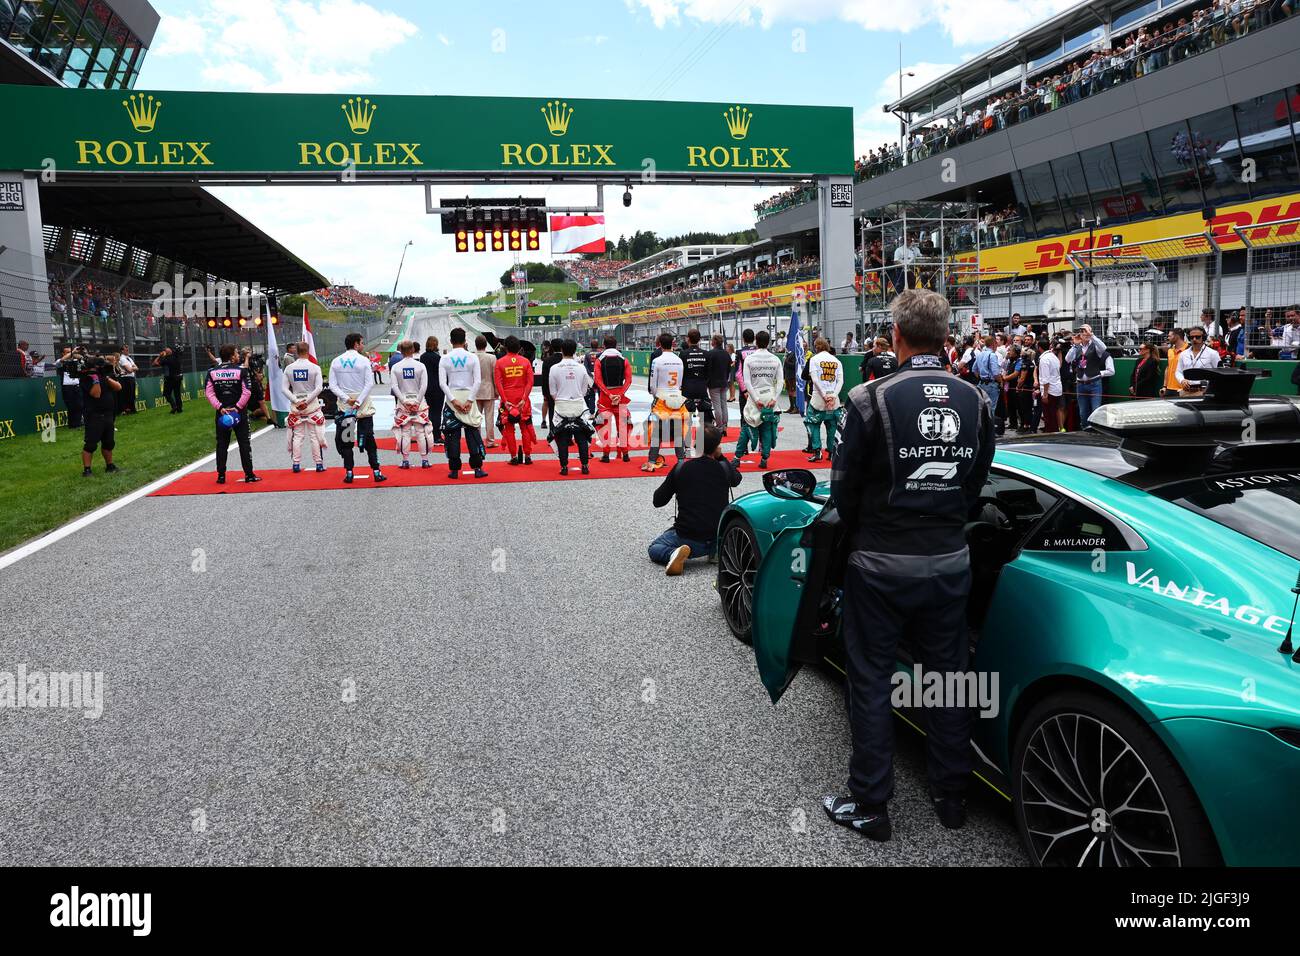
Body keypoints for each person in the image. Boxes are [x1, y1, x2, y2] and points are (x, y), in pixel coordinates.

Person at [825, 289, 995, 841]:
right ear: (947, 337)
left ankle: (871, 805)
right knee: (949, 680)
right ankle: (952, 794)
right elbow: (977, 480)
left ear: (895, 334)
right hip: (949, 561)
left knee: (872, 681)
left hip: (879, 563)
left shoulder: (869, 397)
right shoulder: (977, 400)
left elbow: (843, 489)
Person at [649, 424, 741, 575]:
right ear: (717, 447)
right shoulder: (723, 468)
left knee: (655, 547)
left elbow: (658, 501)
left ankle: (674, 554)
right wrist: (722, 458)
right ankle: (715, 552)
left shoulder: (681, 468)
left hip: (690, 537)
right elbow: (736, 479)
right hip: (719, 537)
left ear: (694, 443)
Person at [329, 333, 386, 485]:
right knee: (369, 439)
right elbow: (369, 383)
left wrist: (348, 399)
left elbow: (332, 385)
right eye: (361, 343)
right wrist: (359, 401)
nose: (363, 345)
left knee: (346, 441)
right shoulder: (363, 360)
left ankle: (349, 473)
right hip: (363, 404)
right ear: (356, 344)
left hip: (345, 405)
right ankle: (376, 471)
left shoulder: (336, 361)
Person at [205, 343, 261, 486]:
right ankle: (249, 475)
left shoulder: (212, 371)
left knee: (222, 445)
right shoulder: (241, 371)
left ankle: (221, 476)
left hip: (222, 413)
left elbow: (209, 393)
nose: (238, 355)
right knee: (244, 443)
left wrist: (220, 407)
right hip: (239, 413)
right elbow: (247, 391)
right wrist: (237, 407)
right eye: (236, 353)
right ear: (231, 356)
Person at [439, 327, 488, 479]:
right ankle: (478, 468)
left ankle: (454, 470)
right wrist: (469, 400)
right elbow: (478, 380)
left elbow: (442, 383)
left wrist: (453, 400)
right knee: (472, 433)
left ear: (451, 341)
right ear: (465, 340)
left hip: (452, 396)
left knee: (452, 435)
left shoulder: (445, 358)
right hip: (468, 396)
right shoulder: (472, 357)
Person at [734, 330, 782, 469]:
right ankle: (764, 458)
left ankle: (737, 457)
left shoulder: (750, 359)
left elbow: (747, 382)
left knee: (747, 426)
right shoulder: (775, 359)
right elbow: (780, 382)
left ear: (756, 340)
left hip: (755, 396)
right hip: (770, 396)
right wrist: (774, 399)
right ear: (768, 342)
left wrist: (755, 398)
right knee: (767, 427)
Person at [644, 332, 688, 472]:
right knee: (678, 430)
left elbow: (652, 384)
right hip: (677, 396)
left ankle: (652, 460)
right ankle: (681, 460)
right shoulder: (679, 360)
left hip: (662, 398)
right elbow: (680, 382)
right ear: (673, 344)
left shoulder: (657, 360)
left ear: (660, 344)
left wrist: (655, 394)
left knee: (656, 430)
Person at [549, 339, 594, 475]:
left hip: (561, 405)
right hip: (578, 405)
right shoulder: (581, 368)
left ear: (562, 350)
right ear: (575, 351)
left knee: (562, 438)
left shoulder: (554, 368)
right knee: (582, 437)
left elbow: (552, 392)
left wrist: (560, 399)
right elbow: (585, 390)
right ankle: (585, 465)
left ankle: (564, 467)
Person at [281, 341, 327, 473]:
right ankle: (318, 463)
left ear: (296, 351)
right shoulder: (314, 367)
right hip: (311, 405)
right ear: (308, 351)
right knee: (314, 435)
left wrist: (296, 400)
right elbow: (319, 388)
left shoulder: (289, 368)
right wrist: (307, 401)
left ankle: (296, 463)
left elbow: (284, 389)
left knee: (298, 436)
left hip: (296, 405)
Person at [390, 340, 435, 470]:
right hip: (419, 403)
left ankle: (405, 461)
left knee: (405, 432)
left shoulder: (396, 367)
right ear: (412, 350)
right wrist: (417, 401)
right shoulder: (420, 366)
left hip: (403, 404)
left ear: (402, 351)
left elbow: (394, 386)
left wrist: (404, 401)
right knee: (421, 432)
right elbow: (424, 386)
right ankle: (425, 460)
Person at [493, 335, 536, 466]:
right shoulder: (525, 362)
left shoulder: (499, 363)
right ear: (519, 348)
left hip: (507, 402)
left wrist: (505, 401)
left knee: (508, 429)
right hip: (523, 400)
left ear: (505, 347)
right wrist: (524, 399)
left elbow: (498, 384)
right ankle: (528, 456)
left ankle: (513, 457)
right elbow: (530, 382)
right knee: (526, 428)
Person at [79, 356, 121, 477]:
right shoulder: (87, 378)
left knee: (108, 442)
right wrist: (96, 380)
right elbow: (96, 394)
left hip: (108, 414)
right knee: (91, 444)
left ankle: (110, 465)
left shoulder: (105, 376)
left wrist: (105, 377)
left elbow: (118, 387)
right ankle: (87, 470)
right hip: (94, 414)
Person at [804, 338, 844, 462]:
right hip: (834, 400)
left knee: (812, 424)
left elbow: (815, 380)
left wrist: (824, 395)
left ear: (816, 347)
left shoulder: (814, 359)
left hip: (818, 398)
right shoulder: (836, 360)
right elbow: (840, 381)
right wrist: (832, 396)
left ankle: (817, 452)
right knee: (832, 426)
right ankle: (831, 452)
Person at [594, 334, 632, 464]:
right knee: (623, 425)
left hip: (605, 398)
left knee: (604, 426)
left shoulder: (599, 361)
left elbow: (597, 380)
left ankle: (605, 454)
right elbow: (629, 380)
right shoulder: (624, 360)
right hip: (620, 396)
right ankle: (625, 453)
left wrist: (608, 394)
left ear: (603, 345)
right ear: (616, 345)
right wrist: (620, 394)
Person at [1064, 326, 1112, 427]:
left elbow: (1104, 348)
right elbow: (1068, 359)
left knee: (1095, 411)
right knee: (1083, 413)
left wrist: (1091, 335)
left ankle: (1096, 432)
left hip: (1094, 383)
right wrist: (1075, 345)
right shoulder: (1077, 347)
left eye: (1086, 331)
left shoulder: (1095, 346)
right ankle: (1086, 431)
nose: (1084, 334)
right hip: (1080, 384)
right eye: (1082, 332)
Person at [679, 328, 714, 425]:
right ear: (699, 339)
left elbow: (681, 372)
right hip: (702, 388)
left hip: (687, 389)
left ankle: (686, 439)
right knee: (705, 419)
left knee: (686, 418)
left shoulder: (683, 354)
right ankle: (702, 439)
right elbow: (709, 372)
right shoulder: (706, 354)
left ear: (688, 339)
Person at [1175, 325, 1221, 394]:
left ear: (1204, 337)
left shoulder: (1213, 354)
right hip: (1186, 391)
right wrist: (1182, 380)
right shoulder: (1183, 354)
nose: (1194, 339)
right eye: (1191, 337)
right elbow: (1178, 372)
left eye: (1197, 337)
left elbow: (1219, 372)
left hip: (1205, 391)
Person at [474, 335, 498, 448]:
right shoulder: (492, 358)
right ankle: (490, 441)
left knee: (476, 418)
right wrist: (497, 391)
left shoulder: (471, 357)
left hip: (475, 391)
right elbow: (495, 376)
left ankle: (477, 440)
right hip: (488, 390)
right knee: (489, 417)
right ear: (485, 345)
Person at [419, 336, 443, 444]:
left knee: (430, 411)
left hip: (427, 387)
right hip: (437, 387)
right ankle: (437, 435)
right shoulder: (437, 358)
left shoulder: (422, 357)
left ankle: (428, 433)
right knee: (437, 412)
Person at [706, 334, 732, 434]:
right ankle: (725, 426)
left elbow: (708, 369)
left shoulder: (711, 354)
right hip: (724, 382)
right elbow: (729, 368)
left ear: (715, 342)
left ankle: (720, 426)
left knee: (717, 406)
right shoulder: (726, 354)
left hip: (714, 383)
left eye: (712, 340)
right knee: (724, 405)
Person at [1037, 339, 1063, 432]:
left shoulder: (1044, 359)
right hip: (1056, 389)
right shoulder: (1053, 356)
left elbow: (1046, 379)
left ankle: (1051, 435)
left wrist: (1045, 394)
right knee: (1053, 415)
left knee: (1049, 417)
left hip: (1050, 391)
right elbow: (1059, 365)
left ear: (1039, 348)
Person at [58, 347, 84, 429]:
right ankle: (73, 424)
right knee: (71, 406)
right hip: (67, 387)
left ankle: (78, 422)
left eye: (70, 352)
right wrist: (73, 352)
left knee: (79, 405)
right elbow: (62, 360)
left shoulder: (76, 361)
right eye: (67, 352)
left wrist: (78, 354)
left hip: (77, 385)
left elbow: (82, 359)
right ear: (63, 353)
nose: (70, 354)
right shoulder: (60, 361)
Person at [153, 346, 185, 413]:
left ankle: (174, 406)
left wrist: (160, 356)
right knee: (177, 394)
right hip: (178, 377)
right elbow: (179, 351)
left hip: (170, 379)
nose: (166, 350)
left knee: (166, 393)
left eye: (166, 349)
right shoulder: (175, 356)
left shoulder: (166, 359)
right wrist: (162, 355)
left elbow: (154, 363)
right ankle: (179, 409)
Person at [541, 339, 562, 433]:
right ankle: (566, 436)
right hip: (565, 390)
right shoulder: (566, 360)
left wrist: (545, 393)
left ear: (551, 348)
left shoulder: (547, 361)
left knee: (552, 411)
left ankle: (552, 433)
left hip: (551, 391)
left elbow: (544, 379)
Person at [1160, 328, 1187, 397]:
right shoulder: (1170, 351)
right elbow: (1168, 368)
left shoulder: (1188, 350)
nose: (1168, 338)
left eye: (1170, 336)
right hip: (1169, 389)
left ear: (1177, 336)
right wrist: (1164, 386)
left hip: (1182, 389)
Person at [115, 347, 138, 415]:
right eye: (126, 350)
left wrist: (132, 368)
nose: (128, 351)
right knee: (128, 394)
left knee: (132, 394)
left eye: (128, 349)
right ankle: (128, 410)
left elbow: (137, 367)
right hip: (125, 378)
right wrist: (133, 368)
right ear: (122, 351)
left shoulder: (129, 358)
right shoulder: (122, 358)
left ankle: (132, 409)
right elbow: (129, 370)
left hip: (131, 377)